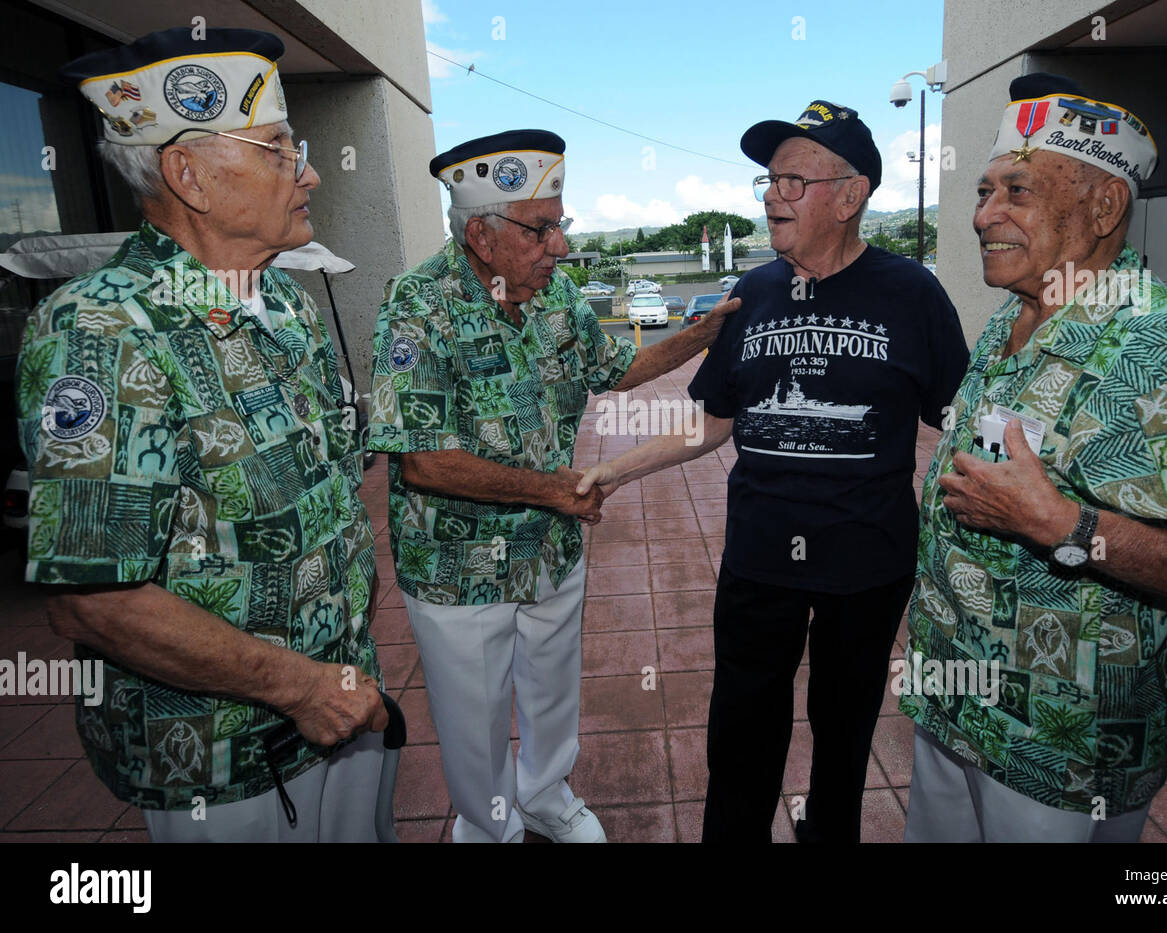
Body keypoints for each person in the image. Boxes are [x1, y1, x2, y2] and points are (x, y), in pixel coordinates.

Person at [16, 27, 388, 842]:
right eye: (281, 149)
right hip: (226, 762)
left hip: (346, 704)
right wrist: (299, 688)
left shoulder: (284, 300)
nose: (311, 172)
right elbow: (96, 599)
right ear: (188, 174)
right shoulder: (102, 331)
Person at [901, 73, 1167, 843]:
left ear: (1103, 206)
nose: (984, 216)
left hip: (1060, 753)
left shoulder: (1162, 344)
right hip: (952, 706)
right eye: (983, 192)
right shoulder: (1008, 321)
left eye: (1015, 190)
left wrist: (1066, 525)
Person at [577, 101, 970, 842]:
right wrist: (616, 470)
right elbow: (714, 418)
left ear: (851, 196)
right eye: (768, 180)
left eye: (793, 181)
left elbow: (957, 418)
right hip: (760, 559)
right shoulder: (753, 294)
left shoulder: (913, 294)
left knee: (845, 727)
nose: (769, 195)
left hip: (869, 561)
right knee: (742, 728)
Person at [368, 129, 738, 843]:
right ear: (481, 233)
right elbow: (423, 461)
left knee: (551, 693)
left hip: (550, 549)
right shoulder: (417, 305)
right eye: (541, 230)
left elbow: (614, 369)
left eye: (559, 224)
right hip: (458, 569)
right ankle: (489, 824)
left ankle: (545, 794)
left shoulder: (554, 295)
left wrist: (702, 334)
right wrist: (550, 490)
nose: (560, 247)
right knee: (474, 723)